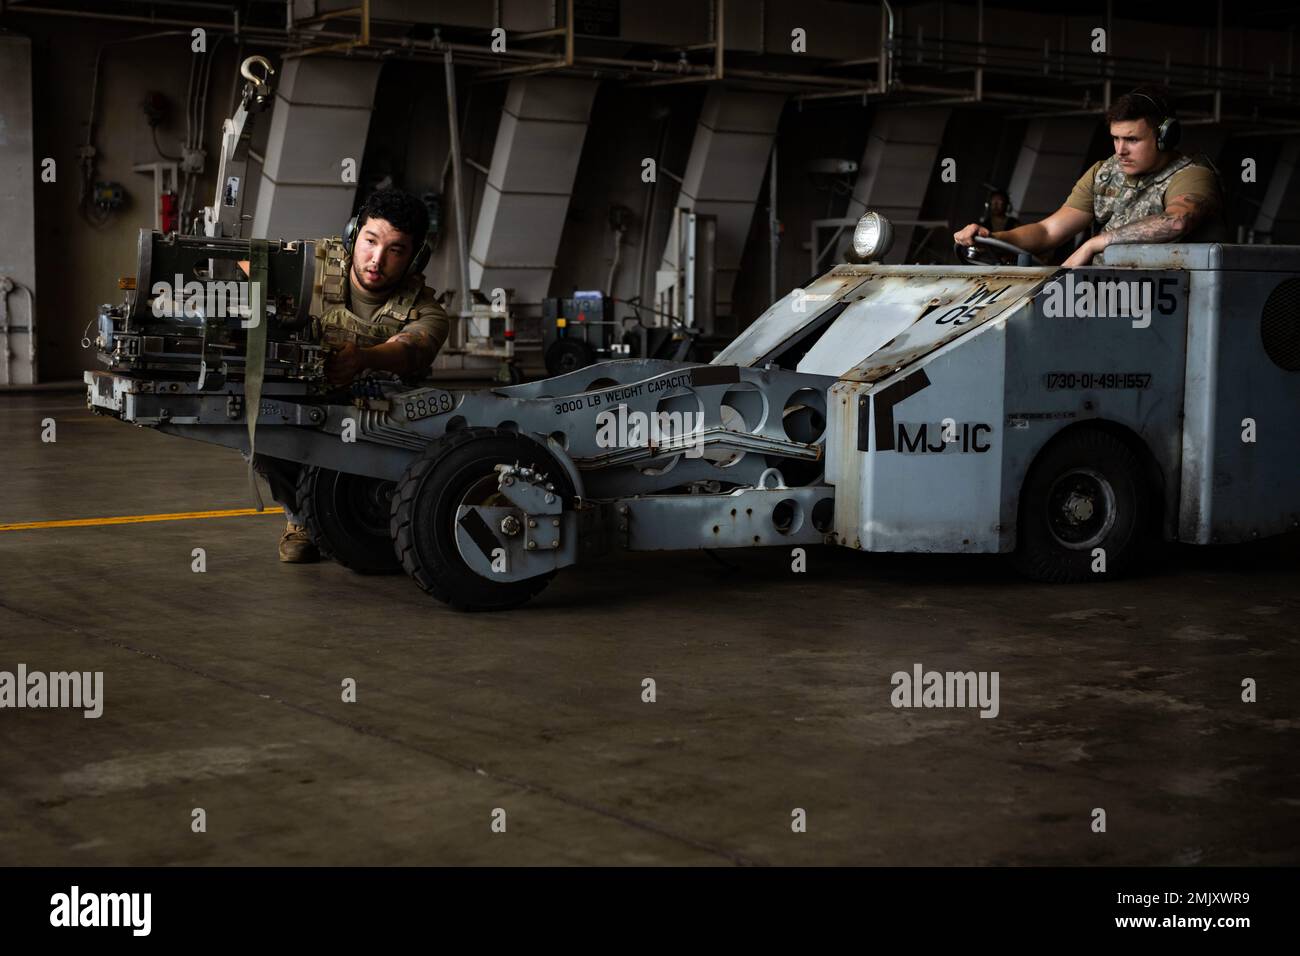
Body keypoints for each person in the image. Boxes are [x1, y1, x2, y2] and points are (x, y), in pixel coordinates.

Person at [255, 187, 451, 563]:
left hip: (381, 420)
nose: (377, 259)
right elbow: (246, 281)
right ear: (352, 234)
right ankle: (300, 518)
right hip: (304, 402)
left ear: (415, 258)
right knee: (260, 428)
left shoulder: (426, 309)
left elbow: (415, 347)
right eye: (370, 241)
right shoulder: (304, 269)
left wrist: (365, 357)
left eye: (395, 250)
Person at [953, 86, 1225, 267]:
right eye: (1116, 139)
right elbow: (1048, 231)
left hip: (1167, 303)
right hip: (1103, 298)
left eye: (1132, 139)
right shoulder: (1104, 173)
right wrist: (993, 237)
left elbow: (1176, 221)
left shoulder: (1192, 175)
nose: (1121, 150)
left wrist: (1097, 242)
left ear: (1165, 136)